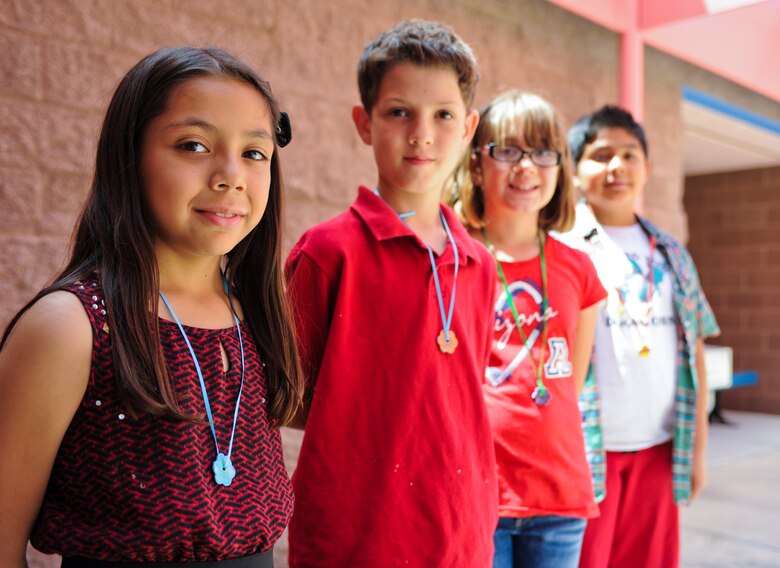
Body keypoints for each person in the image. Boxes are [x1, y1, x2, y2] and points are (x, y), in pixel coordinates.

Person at [0, 46, 303, 567]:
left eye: (254, 153)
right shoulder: (72, 328)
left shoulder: (254, 319)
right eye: (193, 145)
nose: (230, 175)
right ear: (129, 156)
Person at [284, 19, 498, 567]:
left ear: (469, 126)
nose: (422, 133)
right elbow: (290, 399)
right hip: (355, 539)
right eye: (400, 112)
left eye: (443, 115)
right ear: (365, 122)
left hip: (462, 533)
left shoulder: (480, 264)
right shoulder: (327, 253)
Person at [445, 90, 607, 568]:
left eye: (542, 151)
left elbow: (571, 382)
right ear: (477, 166)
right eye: (508, 150)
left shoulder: (579, 269)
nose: (527, 166)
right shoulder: (451, 259)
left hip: (559, 497)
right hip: (474, 491)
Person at [561, 105, 719, 568]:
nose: (617, 166)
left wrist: (698, 453)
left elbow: (696, 353)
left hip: (660, 449)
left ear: (647, 168)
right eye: (601, 155)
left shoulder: (672, 254)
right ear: (575, 171)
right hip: (588, 451)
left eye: (630, 155)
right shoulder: (562, 247)